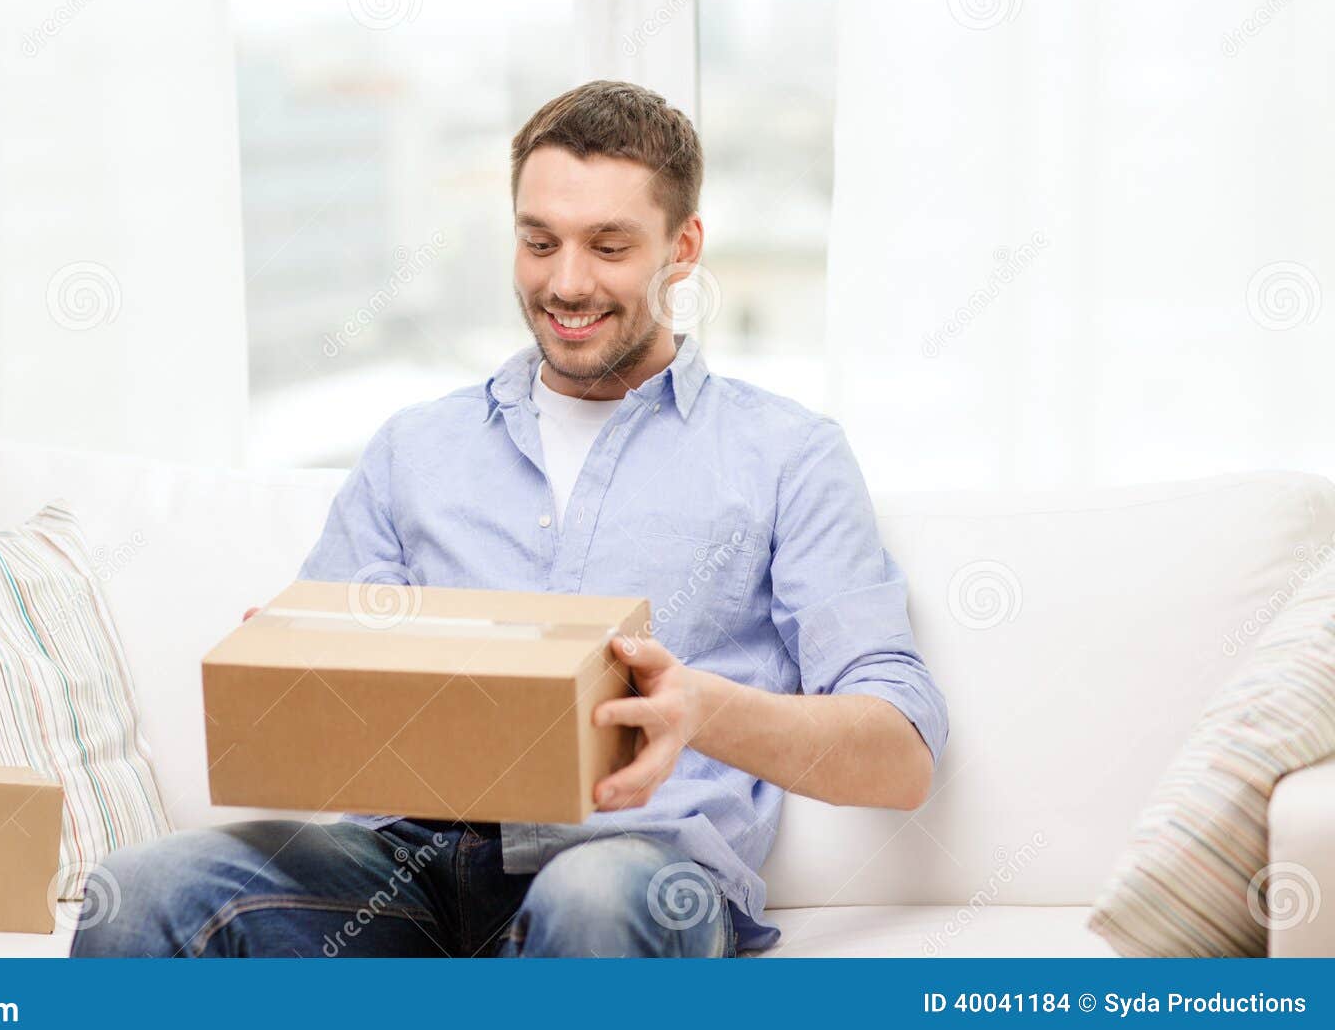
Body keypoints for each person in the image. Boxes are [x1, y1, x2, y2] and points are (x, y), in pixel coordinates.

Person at [70, 80, 948, 958]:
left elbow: (901, 753)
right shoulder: (413, 449)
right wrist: (296, 668)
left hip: (633, 867)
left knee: (595, 900)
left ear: (683, 248)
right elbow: (322, 686)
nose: (567, 282)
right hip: (398, 866)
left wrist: (699, 708)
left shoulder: (786, 454)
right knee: (142, 891)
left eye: (609, 245)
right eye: (539, 242)